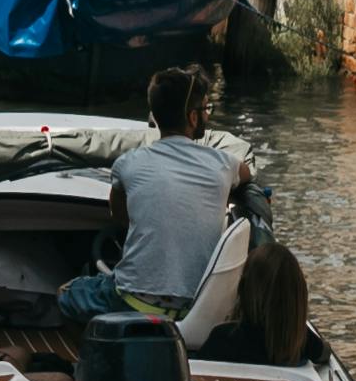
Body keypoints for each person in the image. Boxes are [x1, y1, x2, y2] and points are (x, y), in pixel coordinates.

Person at [65, 62, 252, 325]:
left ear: (155, 115)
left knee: (68, 292)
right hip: (195, 311)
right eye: (206, 109)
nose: (207, 115)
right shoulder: (224, 165)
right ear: (193, 117)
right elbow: (248, 173)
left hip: (131, 304)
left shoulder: (127, 164)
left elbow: (120, 216)